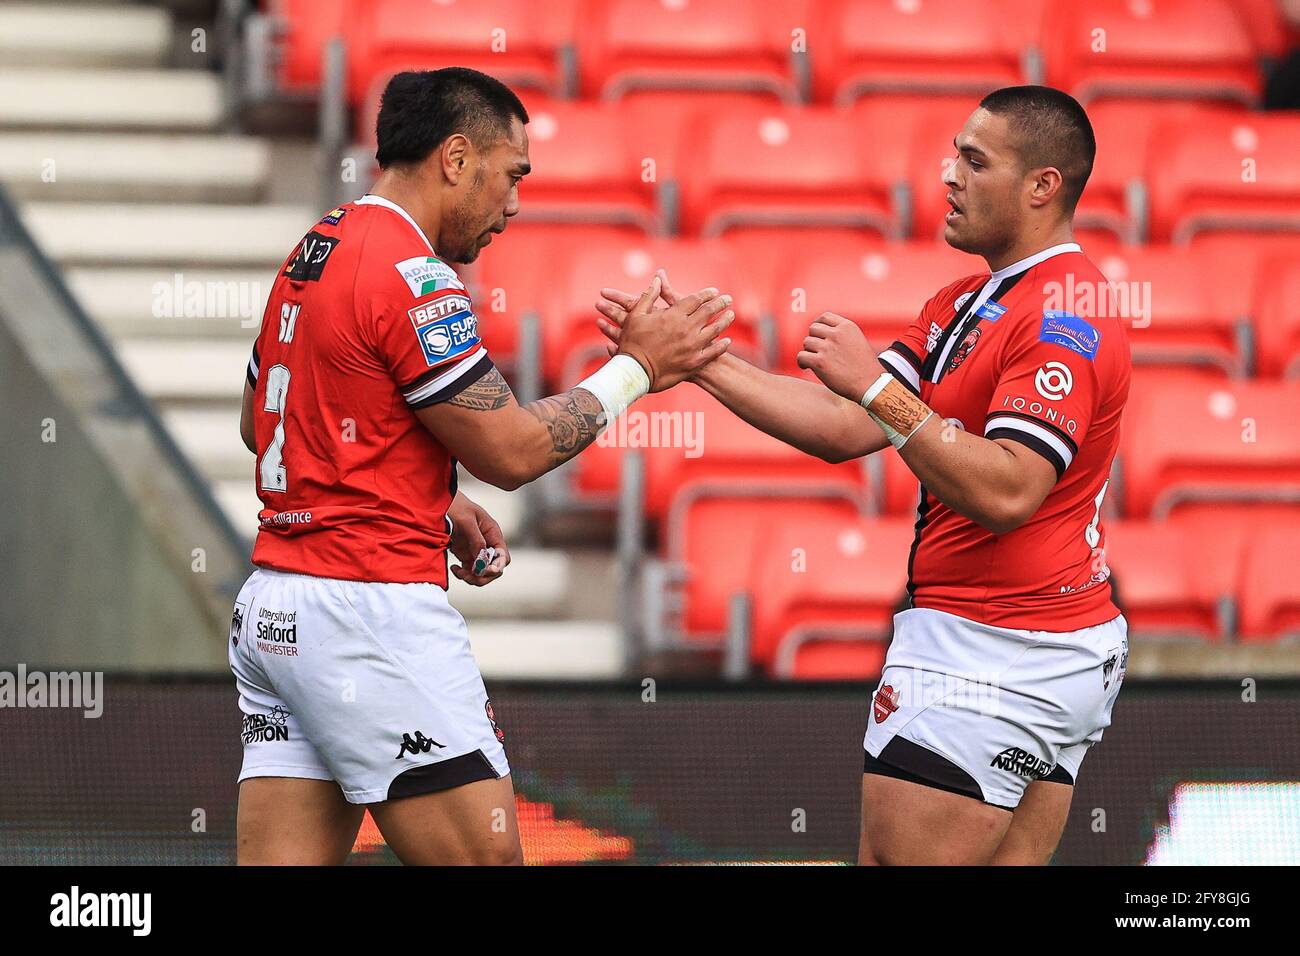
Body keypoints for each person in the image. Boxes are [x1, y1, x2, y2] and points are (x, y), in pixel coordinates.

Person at [597, 86, 1131, 865]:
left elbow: (1011, 490)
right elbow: (848, 426)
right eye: (954, 153)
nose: (949, 175)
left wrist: (877, 388)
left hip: (990, 648)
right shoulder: (967, 299)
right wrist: (693, 361)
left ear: (1043, 185)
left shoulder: (1061, 315)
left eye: (975, 162)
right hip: (1043, 645)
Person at [232, 67, 733, 865]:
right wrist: (637, 367)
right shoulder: (414, 275)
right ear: (456, 159)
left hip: (278, 611)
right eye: (512, 175)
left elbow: (268, 425)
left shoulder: (313, 249)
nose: (514, 205)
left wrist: (428, 501)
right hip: (368, 613)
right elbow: (512, 452)